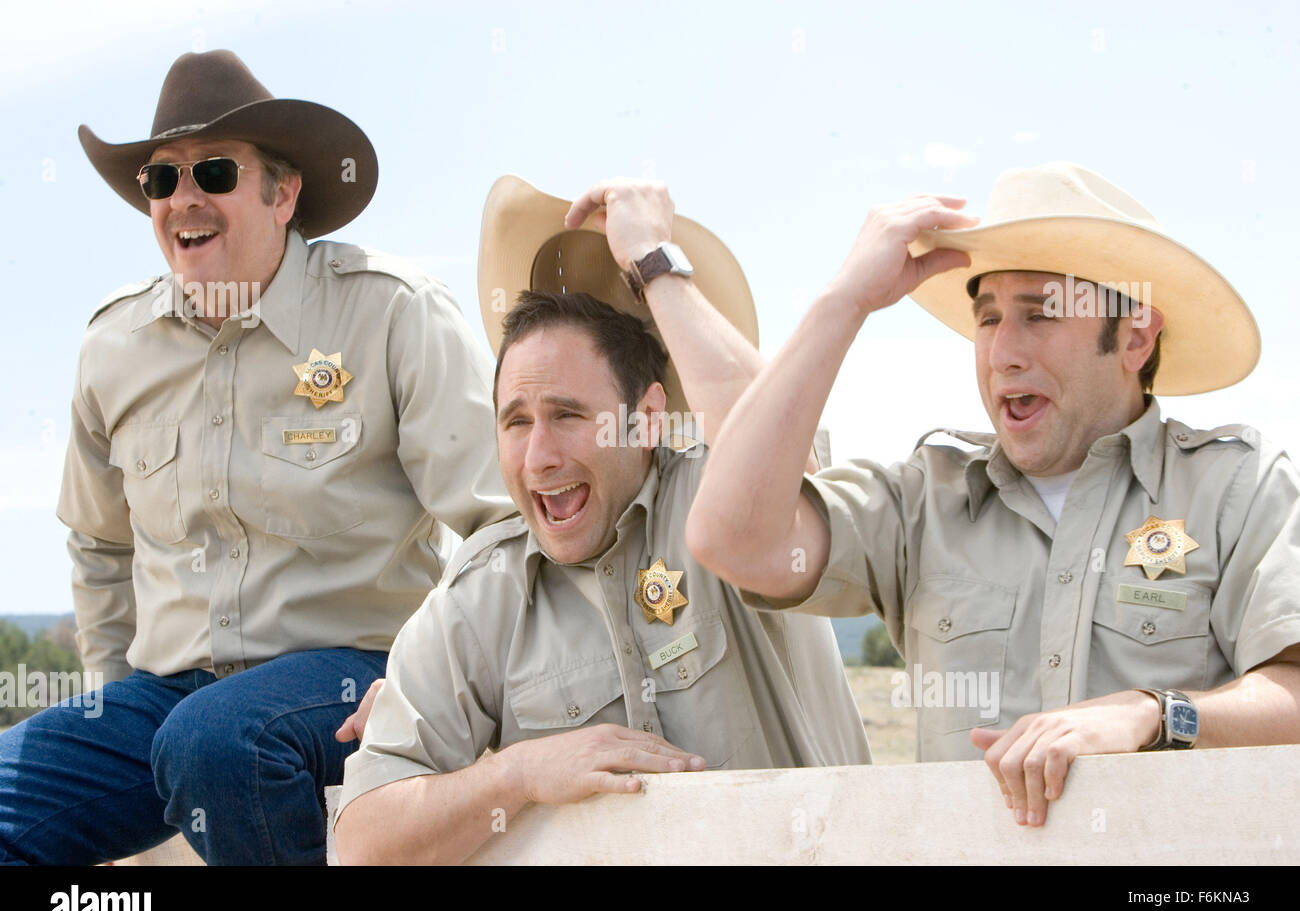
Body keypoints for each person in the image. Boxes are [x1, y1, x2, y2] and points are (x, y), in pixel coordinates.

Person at [0, 50, 512, 865]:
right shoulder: (112, 348)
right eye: (161, 181)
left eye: (211, 171)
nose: (183, 199)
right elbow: (99, 546)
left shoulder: (395, 316)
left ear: (284, 193)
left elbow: (498, 526)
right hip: (168, 699)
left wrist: (434, 688)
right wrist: (106, 696)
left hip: (352, 680)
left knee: (218, 742)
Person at [686, 162, 1300, 827]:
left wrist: (1152, 713)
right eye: (988, 319)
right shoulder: (924, 501)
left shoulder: (1236, 487)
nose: (1002, 351)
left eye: (1038, 315)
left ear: (1134, 336)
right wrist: (845, 302)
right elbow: (732, 538)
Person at [333, 176, 871, 864]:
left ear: (647, 418)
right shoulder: (481, 592)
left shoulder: (724, 500)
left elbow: (775, 441)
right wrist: (517, 772)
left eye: (567, 415)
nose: (538, 456)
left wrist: (652, 260)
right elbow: (363, 841)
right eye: (516, 421)